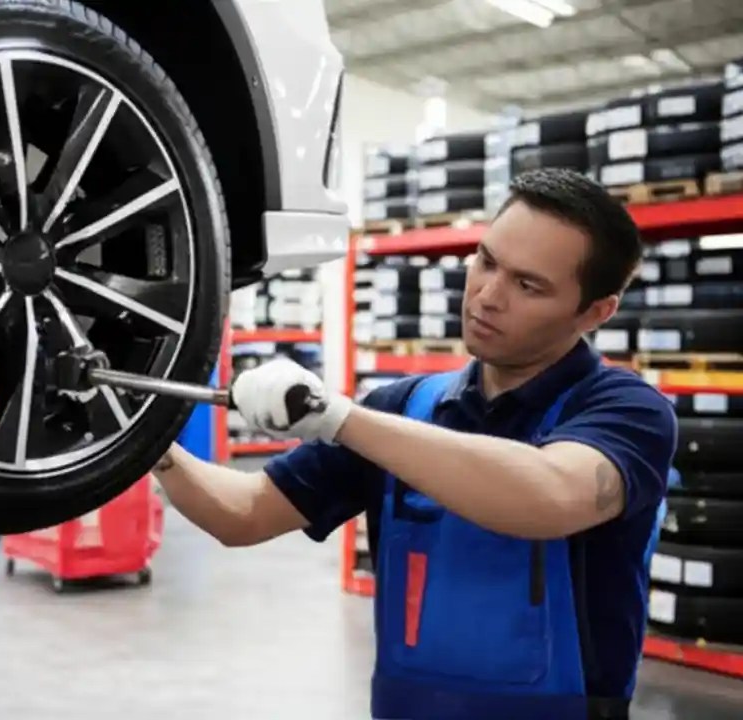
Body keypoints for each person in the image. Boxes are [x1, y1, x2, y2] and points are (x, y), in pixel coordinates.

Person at [151, 168, 677, 720]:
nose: (487, 295)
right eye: (487, 261)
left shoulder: (627, 412)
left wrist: (339, 417)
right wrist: (144, 437)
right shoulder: (403, 411)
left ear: (596, 311)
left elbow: (549, 494)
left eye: (528, 285)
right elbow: (244, 513)